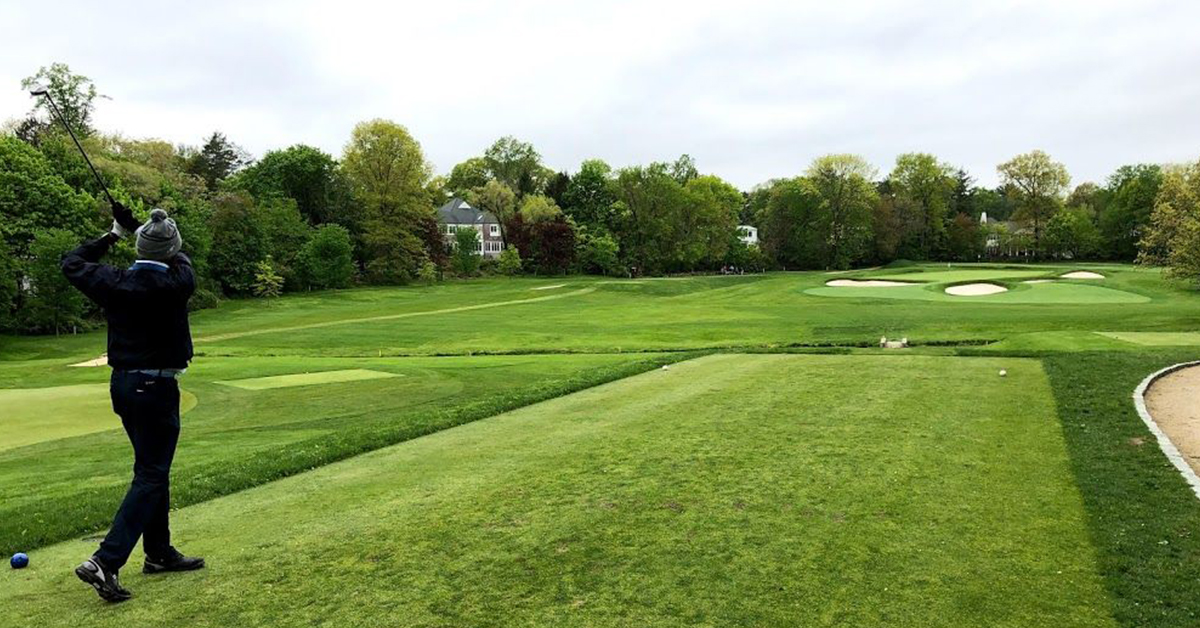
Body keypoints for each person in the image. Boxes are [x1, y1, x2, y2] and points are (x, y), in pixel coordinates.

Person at [61, 204, 205, 603]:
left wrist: (115, 234)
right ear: (170, 251)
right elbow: (179, 256)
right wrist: (159, 229)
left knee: (151, 470)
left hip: (123, 387)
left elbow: (72, 261)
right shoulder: (177, 283)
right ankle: (105, 561)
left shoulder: (114, 282)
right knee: (152, 474)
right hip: (157, 390)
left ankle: (158, 553)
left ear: (140, 249)